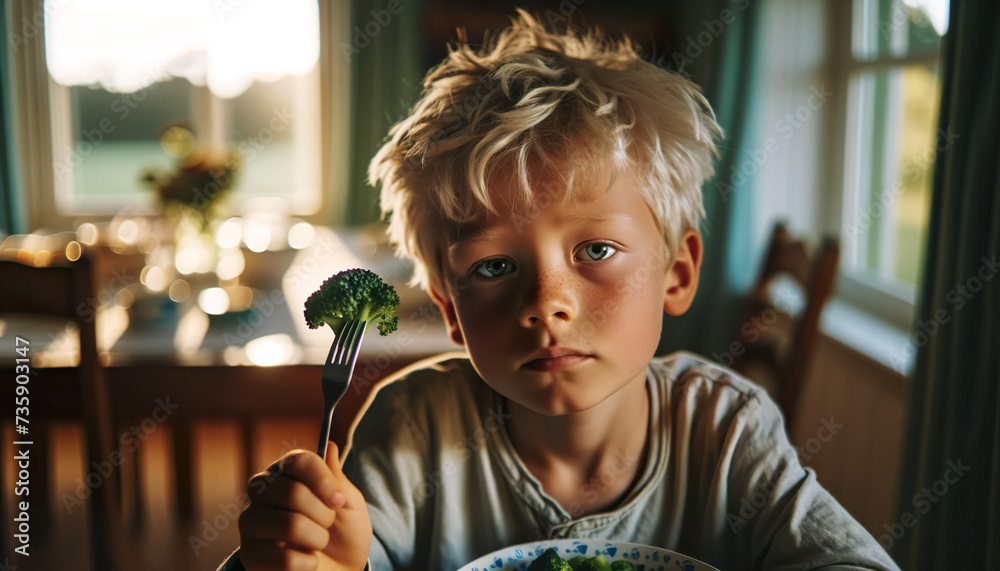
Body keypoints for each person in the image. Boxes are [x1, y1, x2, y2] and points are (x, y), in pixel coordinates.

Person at [221, 10, 899, 571]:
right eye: (492, 266)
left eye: (596, 250)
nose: (547, 301)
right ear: (450, 307)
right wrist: (308, 556)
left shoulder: (725, 431)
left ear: (678, 272)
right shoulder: (413, 427)